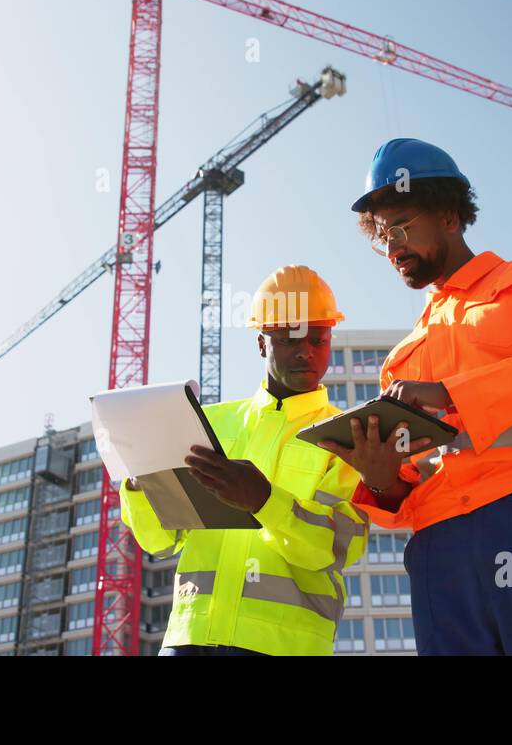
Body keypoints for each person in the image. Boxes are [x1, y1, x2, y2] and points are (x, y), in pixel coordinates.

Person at [316, 138, 512, 655]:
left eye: (400, 226)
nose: (392, 245)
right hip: (440, 554)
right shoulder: (401, 360)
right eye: (382, 235)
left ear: (448, 214)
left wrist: (450, 393)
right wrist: (378, 479)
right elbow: (406, 486)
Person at [119, 265, 370, 656]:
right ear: (261, 344)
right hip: (190, 636)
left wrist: (265, 502)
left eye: (317, 339)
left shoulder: (346, 437)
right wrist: (141, 483)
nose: (305, 352)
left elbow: (337, 548)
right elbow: (161, 541)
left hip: (286, 644)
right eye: (289, 339)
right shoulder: (209, 423)